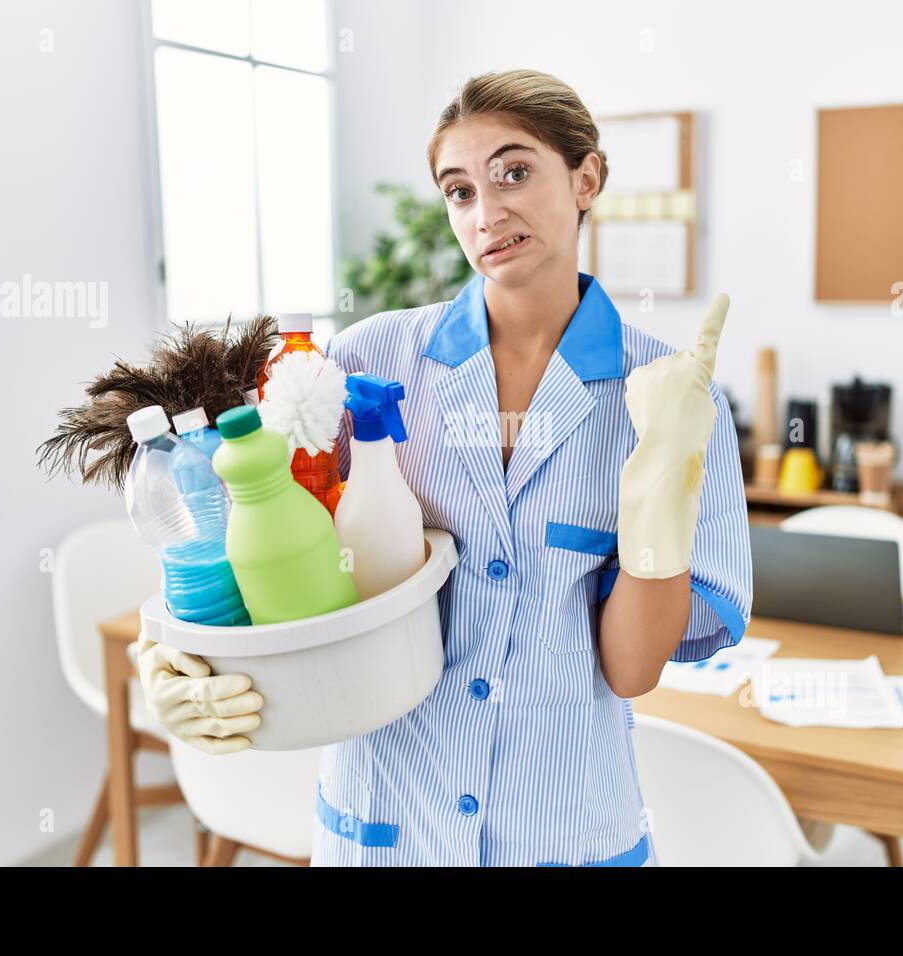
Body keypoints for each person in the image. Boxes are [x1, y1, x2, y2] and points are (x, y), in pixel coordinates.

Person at [137, 69, 752, 867]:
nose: (487, 212)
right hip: (387, 825)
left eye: (515, 172)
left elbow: (631, 670)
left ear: (586, 177)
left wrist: (662, 479)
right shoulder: (365, 359)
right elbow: (249, 544)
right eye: (459, 191)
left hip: (564, 829)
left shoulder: (670, 398)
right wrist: (170, 657)